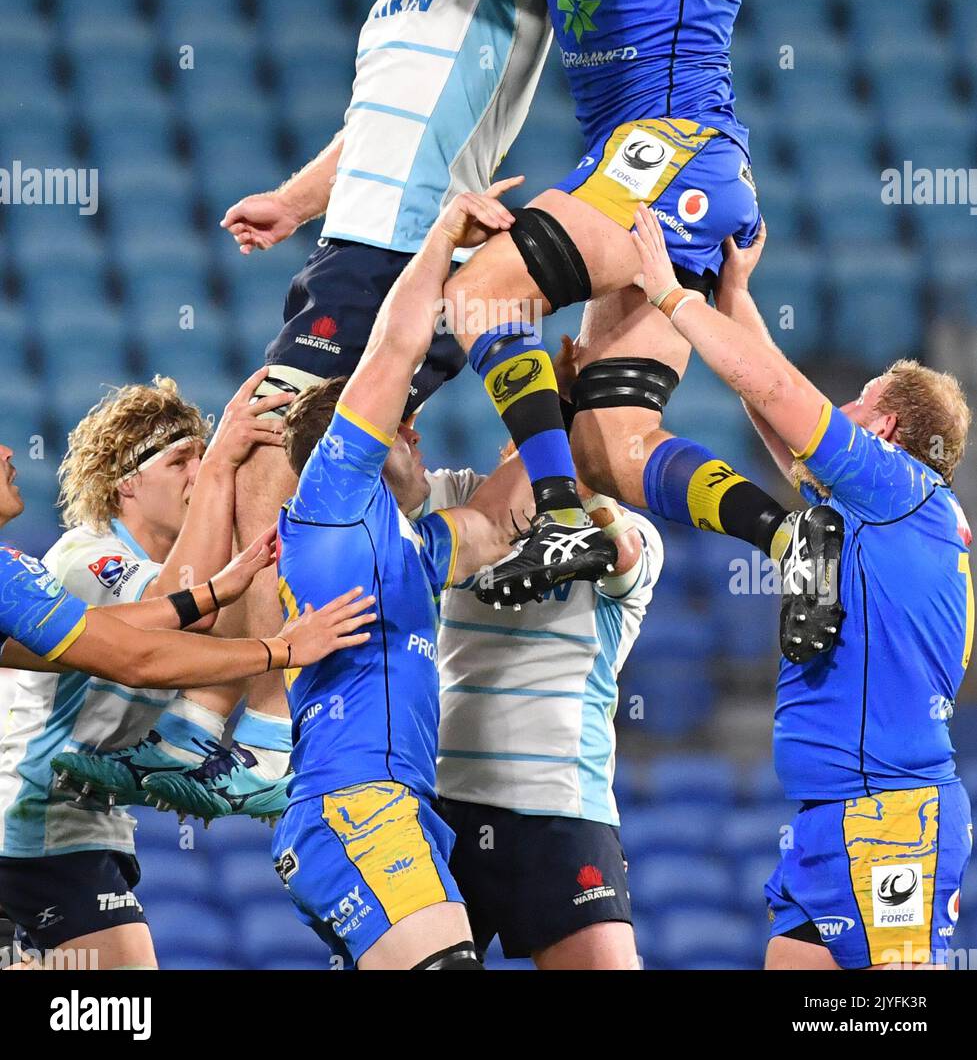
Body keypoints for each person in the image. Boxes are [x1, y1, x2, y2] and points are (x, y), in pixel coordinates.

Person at [289, 0, 842, 608]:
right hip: (645, 178)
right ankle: (791, 537)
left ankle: (557, 520)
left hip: (672, 148)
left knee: (480, 295)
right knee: (609, 446)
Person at [131, 0, 551, 819]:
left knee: (279, 460)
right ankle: (209, 730)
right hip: (344, 259)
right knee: (247, 449)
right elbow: (366, 130)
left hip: (415, 258)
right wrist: (291, 200)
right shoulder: (393, 1)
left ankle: (260, 740)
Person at [630, 203, 974, 970]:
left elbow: (779, 389)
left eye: (859, 398)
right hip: (831, 818)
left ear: (883, 430)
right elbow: (773, 404)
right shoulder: (886, 508)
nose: (838, 408)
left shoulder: (896, 486)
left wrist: (668, 294)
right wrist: (735, 298)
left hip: (890, 815)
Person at [266, 178, 568, 970]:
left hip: (399, 809)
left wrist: (568, 395)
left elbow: (502, 522)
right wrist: (443, 236)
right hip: (355, 807)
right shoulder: (330, 497)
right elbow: (394, 349)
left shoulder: (404, 547)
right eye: (398, 425)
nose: (412, 430)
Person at [0, 441, 375, 968]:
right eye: (178, 460)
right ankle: (240, 741)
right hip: (44, 828)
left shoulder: (11, 570)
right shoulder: (78, 556)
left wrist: (215, 593)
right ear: (126, 481)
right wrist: (281, 649)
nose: (7, 452)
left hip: (63, 827)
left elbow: (93, 635)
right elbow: (135, 658)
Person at [433, 449, 660, 969]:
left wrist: (580, 489)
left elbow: (622, 555)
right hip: (440, 803)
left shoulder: (635, 532)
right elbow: (395, 485)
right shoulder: (457, 495)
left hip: (559, 808)